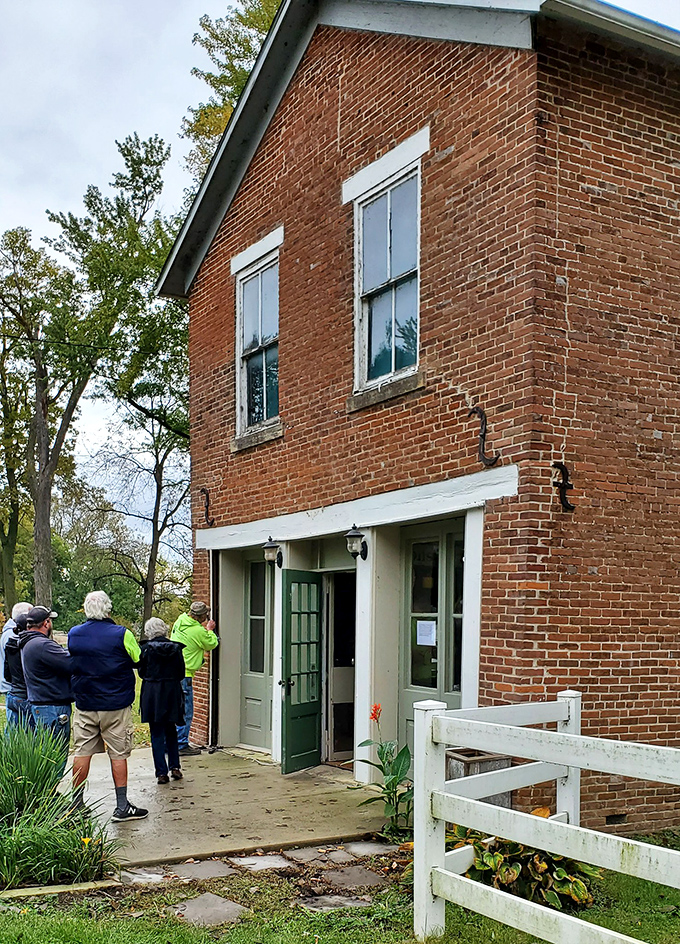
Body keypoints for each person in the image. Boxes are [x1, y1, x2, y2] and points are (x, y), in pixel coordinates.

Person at [68, 591, 148, 822]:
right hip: (115, 703)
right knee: (118, 753)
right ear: (108, 608)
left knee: (82, 751)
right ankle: (122, 806)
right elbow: (138, 659)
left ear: (86, 609)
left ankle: (76, 804)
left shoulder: (74, 634)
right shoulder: (122, 634)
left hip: (85, 703)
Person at [18, 606, 72, 774]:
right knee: (55, 756)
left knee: (46, 752)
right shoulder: (42, 645)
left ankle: (48, 787)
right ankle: (51, 788)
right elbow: (70, 663)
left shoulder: (27, 642)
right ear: (46, 623)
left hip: (40, 704)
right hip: (52, 707)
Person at [138, 617, 186, 784]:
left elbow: (141, 672)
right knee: (171, 729)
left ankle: (161, 772)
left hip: (153, 692)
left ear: (148, 632)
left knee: (156, 732)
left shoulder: (145, 649)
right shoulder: (176, 648)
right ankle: (175, 767)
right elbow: (181, 672)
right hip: (171, 691)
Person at [170, 601, 219, 755]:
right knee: (186, 711)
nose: (207, 616)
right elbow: (211, 644)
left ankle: (170, 743)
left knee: (174, 709)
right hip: (185, 675)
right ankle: (181, 745)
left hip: (173, 673)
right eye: (206, 614)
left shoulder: (180, 621)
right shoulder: (198, 631)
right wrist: (210, 630)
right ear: (200, 616)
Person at [1, 602, 32, 726]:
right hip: (14, 687)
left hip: (10, 686)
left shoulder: (7, 633)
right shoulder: (13, 636)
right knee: (18, 727)